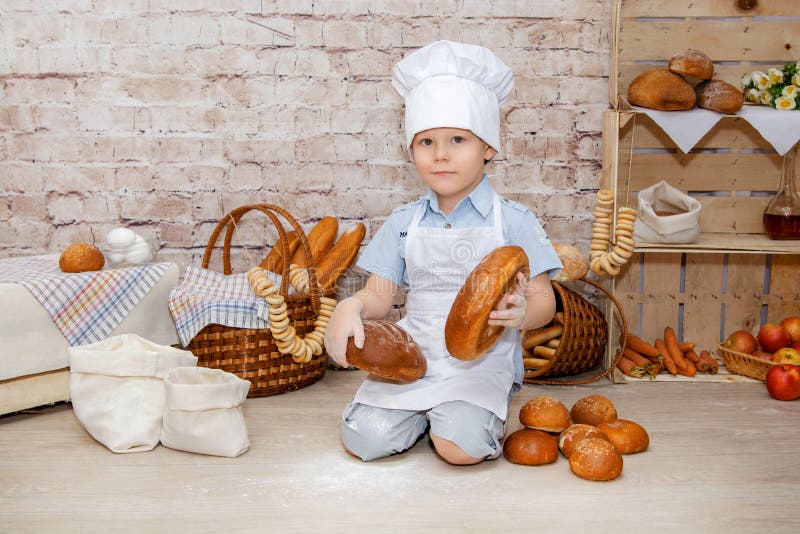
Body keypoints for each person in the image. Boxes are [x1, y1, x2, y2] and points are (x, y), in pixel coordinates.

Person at [324, 40, 562, 465]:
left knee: (459, 449)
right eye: (426, 142)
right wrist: (351, 307)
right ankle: (427, 413)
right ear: (411, 151)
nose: (441, 155)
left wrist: (524, 314)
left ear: (488, 147)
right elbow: (380, 296)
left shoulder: (514, 221)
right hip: (414, 355)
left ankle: (455, 420)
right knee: (365, 440)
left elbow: (545, 300)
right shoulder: (404, 221)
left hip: (480, 363)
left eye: (457, 139)